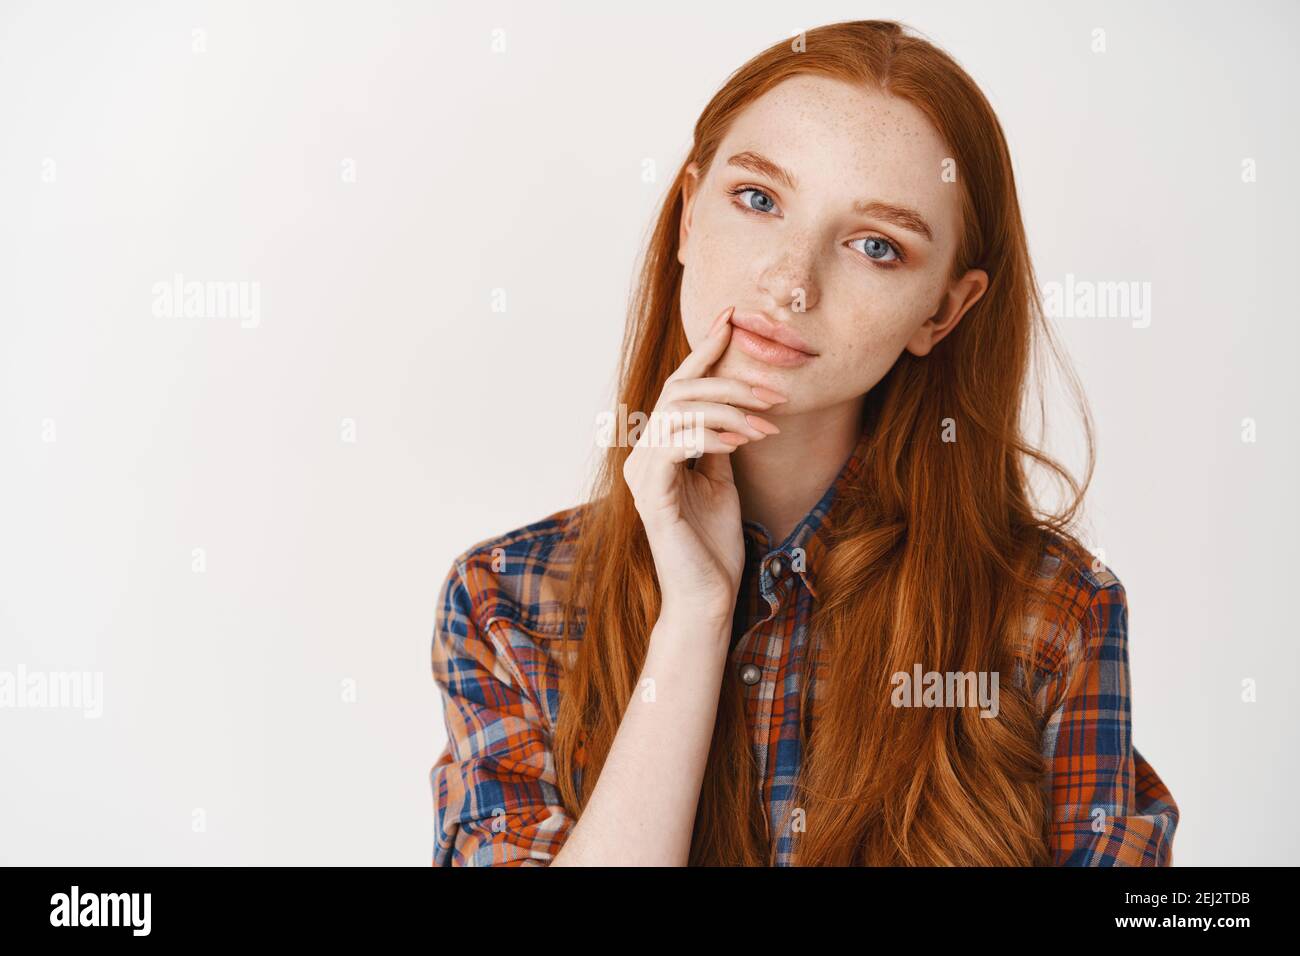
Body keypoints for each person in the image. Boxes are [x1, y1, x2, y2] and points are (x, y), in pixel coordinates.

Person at [430, 19, 1178, 866]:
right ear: (686, 215)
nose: (790, 283)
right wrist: (696, 618)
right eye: (758, 200)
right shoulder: (509, 603)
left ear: (944, 310)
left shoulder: (1055, 613)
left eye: (875, 246)